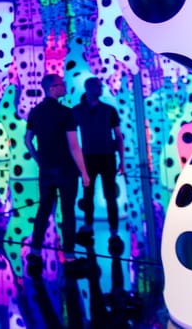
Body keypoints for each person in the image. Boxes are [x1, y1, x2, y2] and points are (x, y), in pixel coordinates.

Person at [24, 74, 91, 276]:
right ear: (52, 88)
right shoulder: (66, 113)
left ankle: (35, 253)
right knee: (67, 212)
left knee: (43, 210)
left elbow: (27, 141)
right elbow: (73, 146)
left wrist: (38, 160)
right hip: (66, 170)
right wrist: (84, 172)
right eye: (61, 84)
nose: (64, 87)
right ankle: (69, 258)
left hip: (46, 170)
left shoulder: (35, 112)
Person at [73, 77, 125, 254]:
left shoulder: (109, 111)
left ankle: (113, 232)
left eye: (100, 85)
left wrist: (122, 162)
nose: (101, 88)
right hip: (88, 158)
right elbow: (71, 137)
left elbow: (118, 137)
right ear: (89, 88)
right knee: (88, 194)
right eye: (98, 86)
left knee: (110, 195)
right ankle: (88, 227)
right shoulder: (77, 111)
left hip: (107, 157)